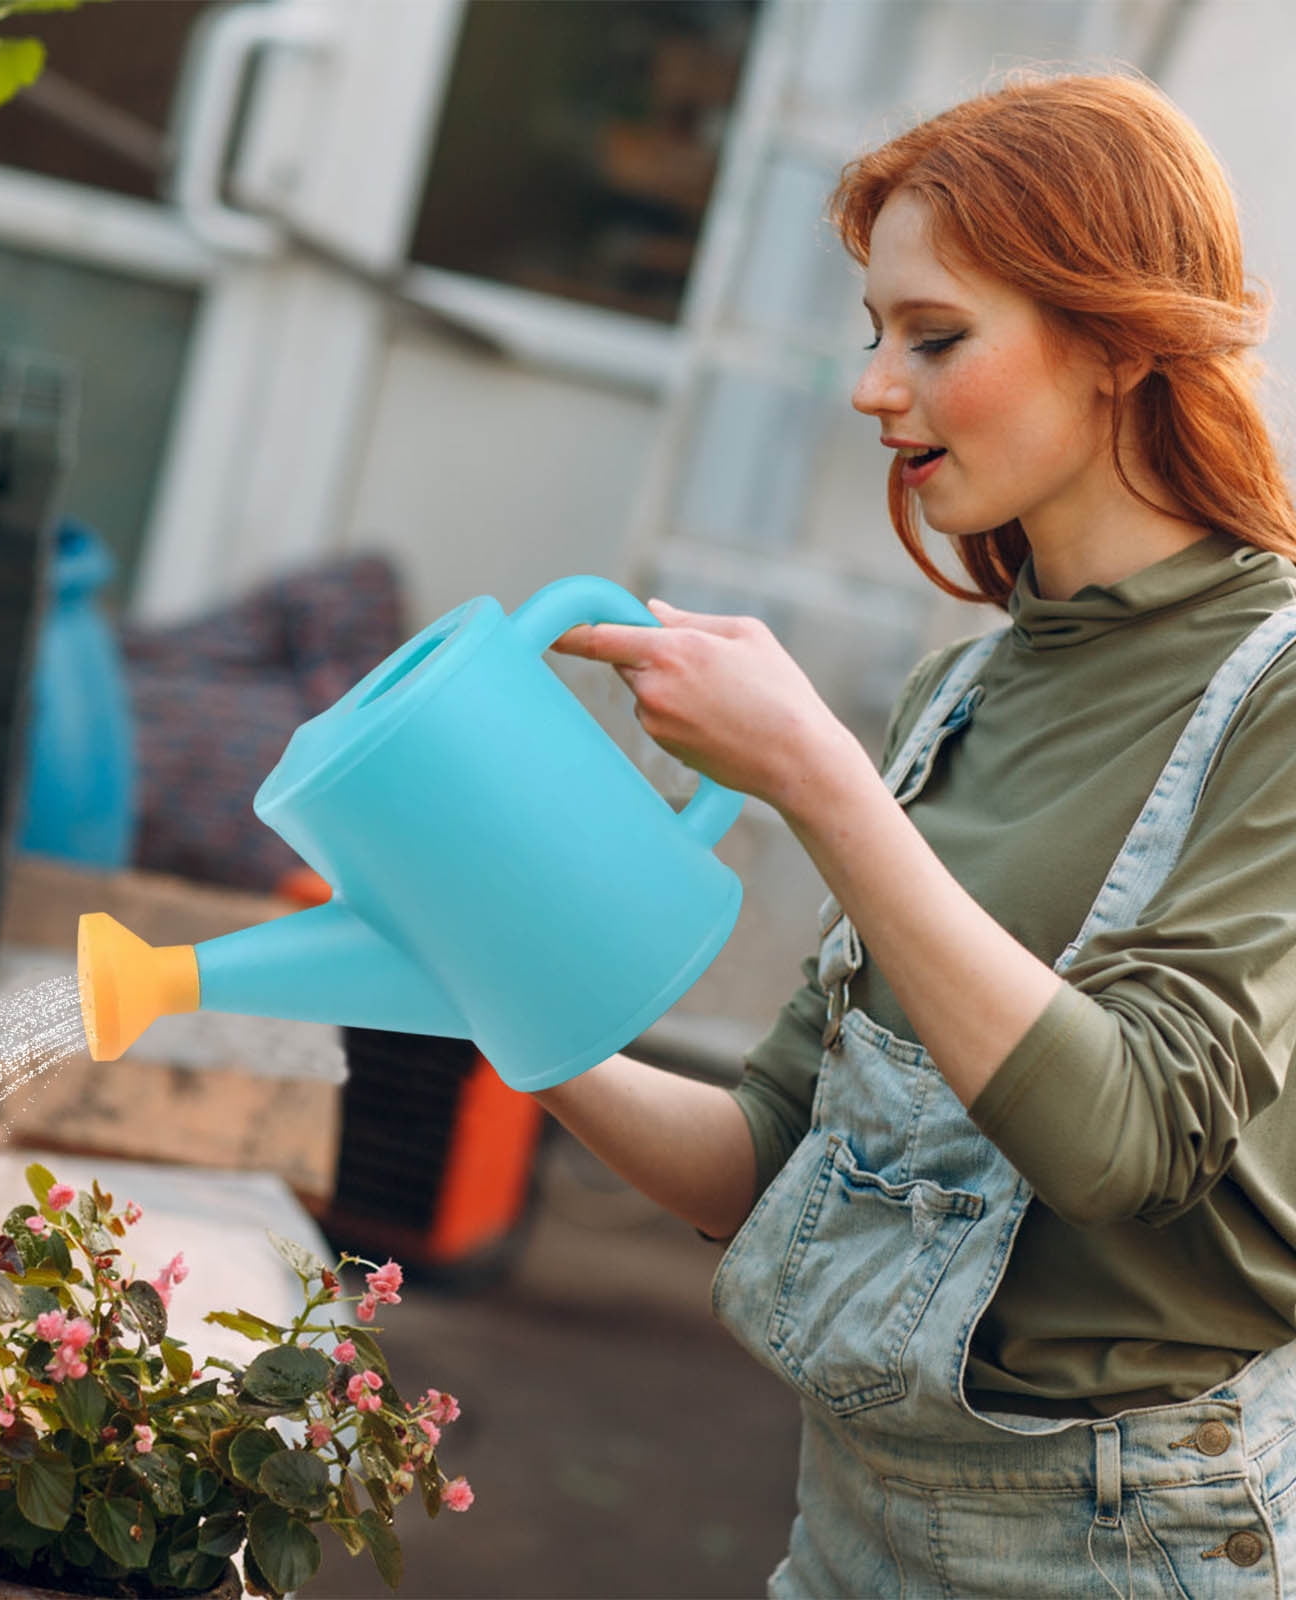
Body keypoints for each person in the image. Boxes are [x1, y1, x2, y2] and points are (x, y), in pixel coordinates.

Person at [544, 71, 1296, 1597]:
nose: (873, 389)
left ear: (1119, 342)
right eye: (873, 333)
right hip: (855, 1523)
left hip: (1127, 1540)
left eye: (935, 338)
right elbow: (769, 1159)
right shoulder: (960, 696)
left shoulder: (1273, 695)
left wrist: (817, 781)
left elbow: (1127, 1141)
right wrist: (507, 1003)